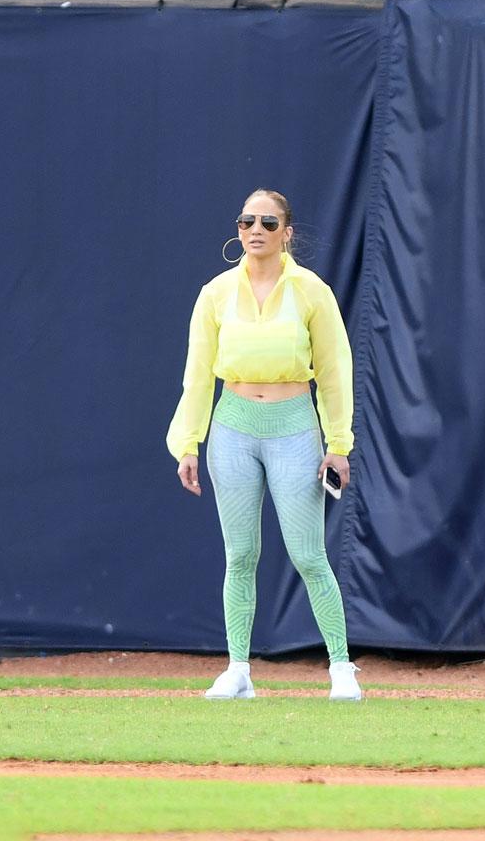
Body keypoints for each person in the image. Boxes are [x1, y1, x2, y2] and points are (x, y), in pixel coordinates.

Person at [167, 188, 361, 702]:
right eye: (247, 221)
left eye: (269, 222)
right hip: (232, 424)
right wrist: (188, 442)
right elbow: (196, 375)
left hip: (294, 423)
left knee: (308, 554)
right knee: (241, 555)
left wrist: (338, 443)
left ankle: (341, 668)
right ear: (238, 230)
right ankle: (238, 669)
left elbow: (336, 371)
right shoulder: (215, 293)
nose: (256, 229)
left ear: (287, 233)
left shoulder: (311, 291)